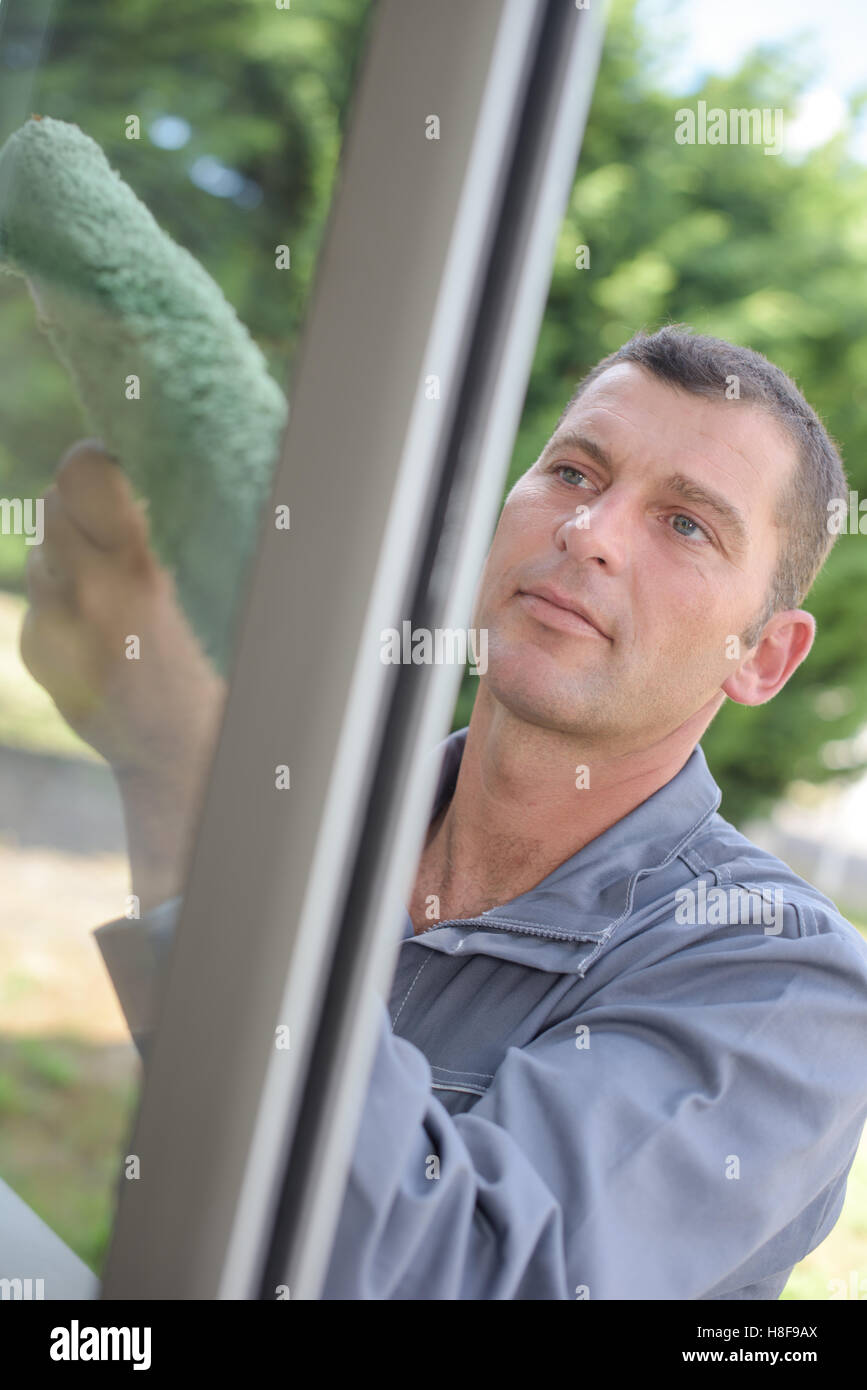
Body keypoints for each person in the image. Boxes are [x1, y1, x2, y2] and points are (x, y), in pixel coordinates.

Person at [21, 325, 867, 1299]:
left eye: (686, 524)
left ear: (764, 656)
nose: (588, 533)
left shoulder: (784, 982)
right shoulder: (326, 827)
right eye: (574, 472)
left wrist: (186, 776)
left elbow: (462, 1279)